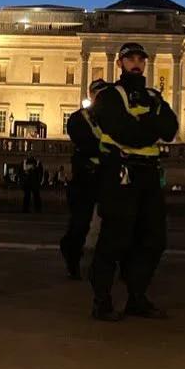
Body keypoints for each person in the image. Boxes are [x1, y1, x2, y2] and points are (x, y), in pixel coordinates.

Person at [89, 42, 179, 321]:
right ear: (120, 64)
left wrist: (146, 124)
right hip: (121, 173)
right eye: (130, 59)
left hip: (149, 174)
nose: (136, 63)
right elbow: (127, 133)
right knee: (115, 238)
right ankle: (102, 300)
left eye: (141, 58)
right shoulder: (109, 96)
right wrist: (151, 123)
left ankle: (136, 296)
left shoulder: (153, 95)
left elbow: (171, 130)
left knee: (153, 239)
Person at [60, 79, 108, 280]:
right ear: (90, 95)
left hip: (107, 176)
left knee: (115, 222)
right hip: (85, 178)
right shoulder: (78, 119)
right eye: (97, 93)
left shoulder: (112, 119)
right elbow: (84, 143)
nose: (101, 97)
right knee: (80, 223)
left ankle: (110, 264)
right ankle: (71, 255)